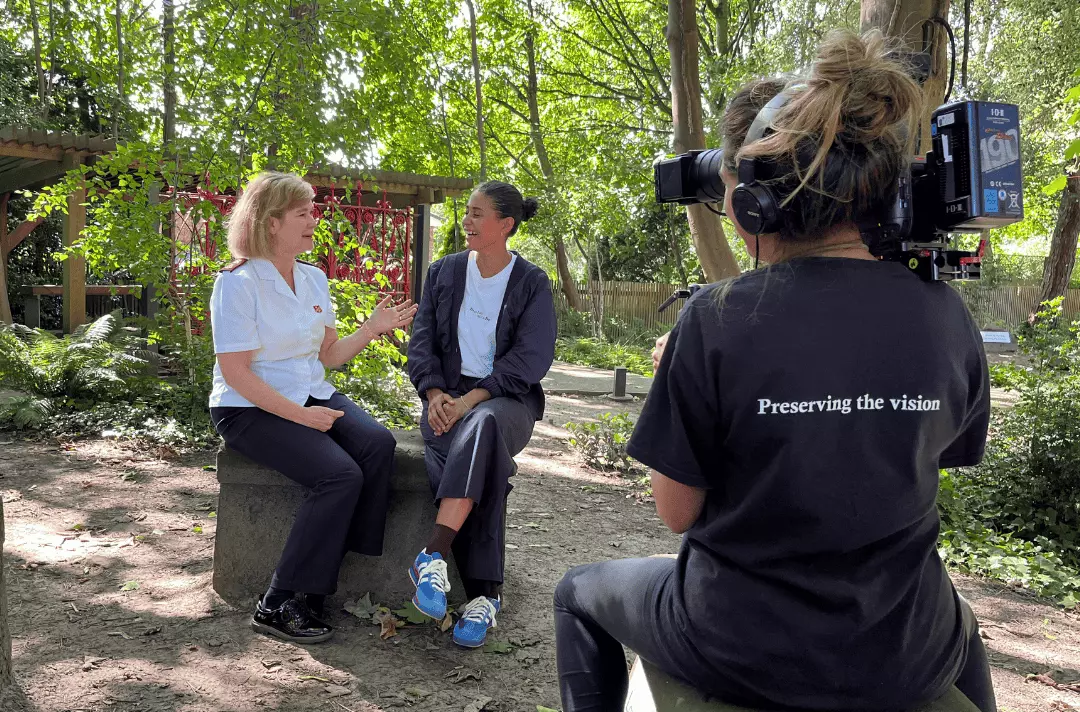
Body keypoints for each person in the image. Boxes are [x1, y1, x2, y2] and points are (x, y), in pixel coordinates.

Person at [553, 30, 997, 712]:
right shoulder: (947, 315)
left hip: (741, 649)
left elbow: (677, 513)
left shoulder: (715, 321)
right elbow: (937, 456)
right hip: (905, 647)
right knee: (959, 628)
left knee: (575, 591)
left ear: (754, 203)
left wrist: (685, 378)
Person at [208, 171, 417, 645]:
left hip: (311, 391)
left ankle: (325, 567)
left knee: (378, 444)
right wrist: (303, 418)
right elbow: (238, 373)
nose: (313, 220)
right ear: (271, 222)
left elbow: (327, 357)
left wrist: (371, 329)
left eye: (312, 211)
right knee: (339, 475)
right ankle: (279, 601)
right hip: (248, 407)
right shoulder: (237, 283)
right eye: (302, 213)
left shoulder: (314, 278)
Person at [406, 180, 557, 648]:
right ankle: (485, 597)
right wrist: (434, 395)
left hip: (507, 402)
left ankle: (433, 553)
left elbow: (531, 360)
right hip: (445, 399)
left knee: (486, 424)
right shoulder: (444, 272)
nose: (467, 221)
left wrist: (471, 400)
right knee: (487, 460)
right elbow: (422, 341)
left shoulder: (532, 282)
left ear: (505, 225)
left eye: (477, 214)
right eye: (466, 213)